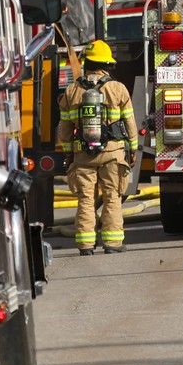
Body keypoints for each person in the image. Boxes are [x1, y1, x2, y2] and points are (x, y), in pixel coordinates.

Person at [56, 40, 138, 255]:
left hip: (83, 155)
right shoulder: (118, 89)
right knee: (112, 196)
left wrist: (69, 153)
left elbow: (65, 129)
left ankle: (85, 245)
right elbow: (130, 123)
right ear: (107, 64)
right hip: (113, 153)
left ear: (87, 63)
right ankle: (112, 243)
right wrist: (133, 149)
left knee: (85, 199)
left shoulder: (72, 91)